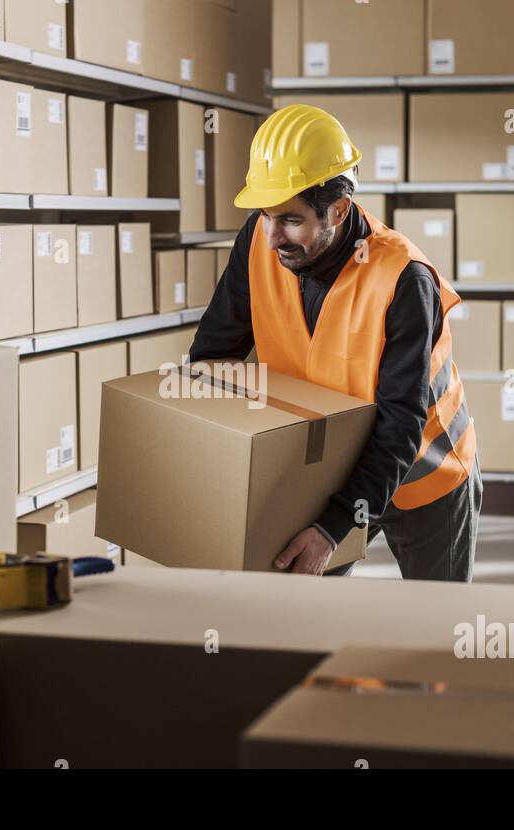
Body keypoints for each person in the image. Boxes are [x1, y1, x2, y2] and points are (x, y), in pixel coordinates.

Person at [189, 104, 483, 581]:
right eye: (264, 216)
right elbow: (212, 357)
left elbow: (399, 426)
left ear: (339, 210)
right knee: (304, 614)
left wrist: (332, 528)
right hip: (326, 470)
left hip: (424, 473)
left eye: (290, 220)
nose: (271, 238)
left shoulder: (403, 280)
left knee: (437, 627)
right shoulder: (260, 244)